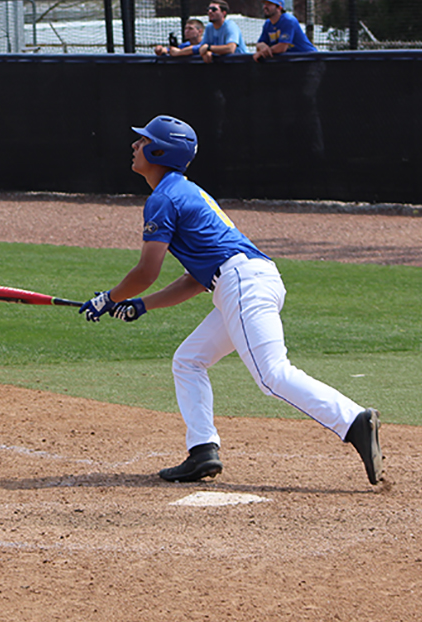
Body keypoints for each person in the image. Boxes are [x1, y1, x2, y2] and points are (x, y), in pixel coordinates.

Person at [79, 115, 384, 486]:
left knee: (272, 375)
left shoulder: (163, 198)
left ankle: (353, 420)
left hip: (242, 284)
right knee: (189, 360)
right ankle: (202, 451)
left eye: (143, 141)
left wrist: (107, 298)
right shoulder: (182, 191)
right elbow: (196, 279)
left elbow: (146, 271)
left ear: (160, 151)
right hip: (244, 281)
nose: (134, 145)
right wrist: (141, 305)